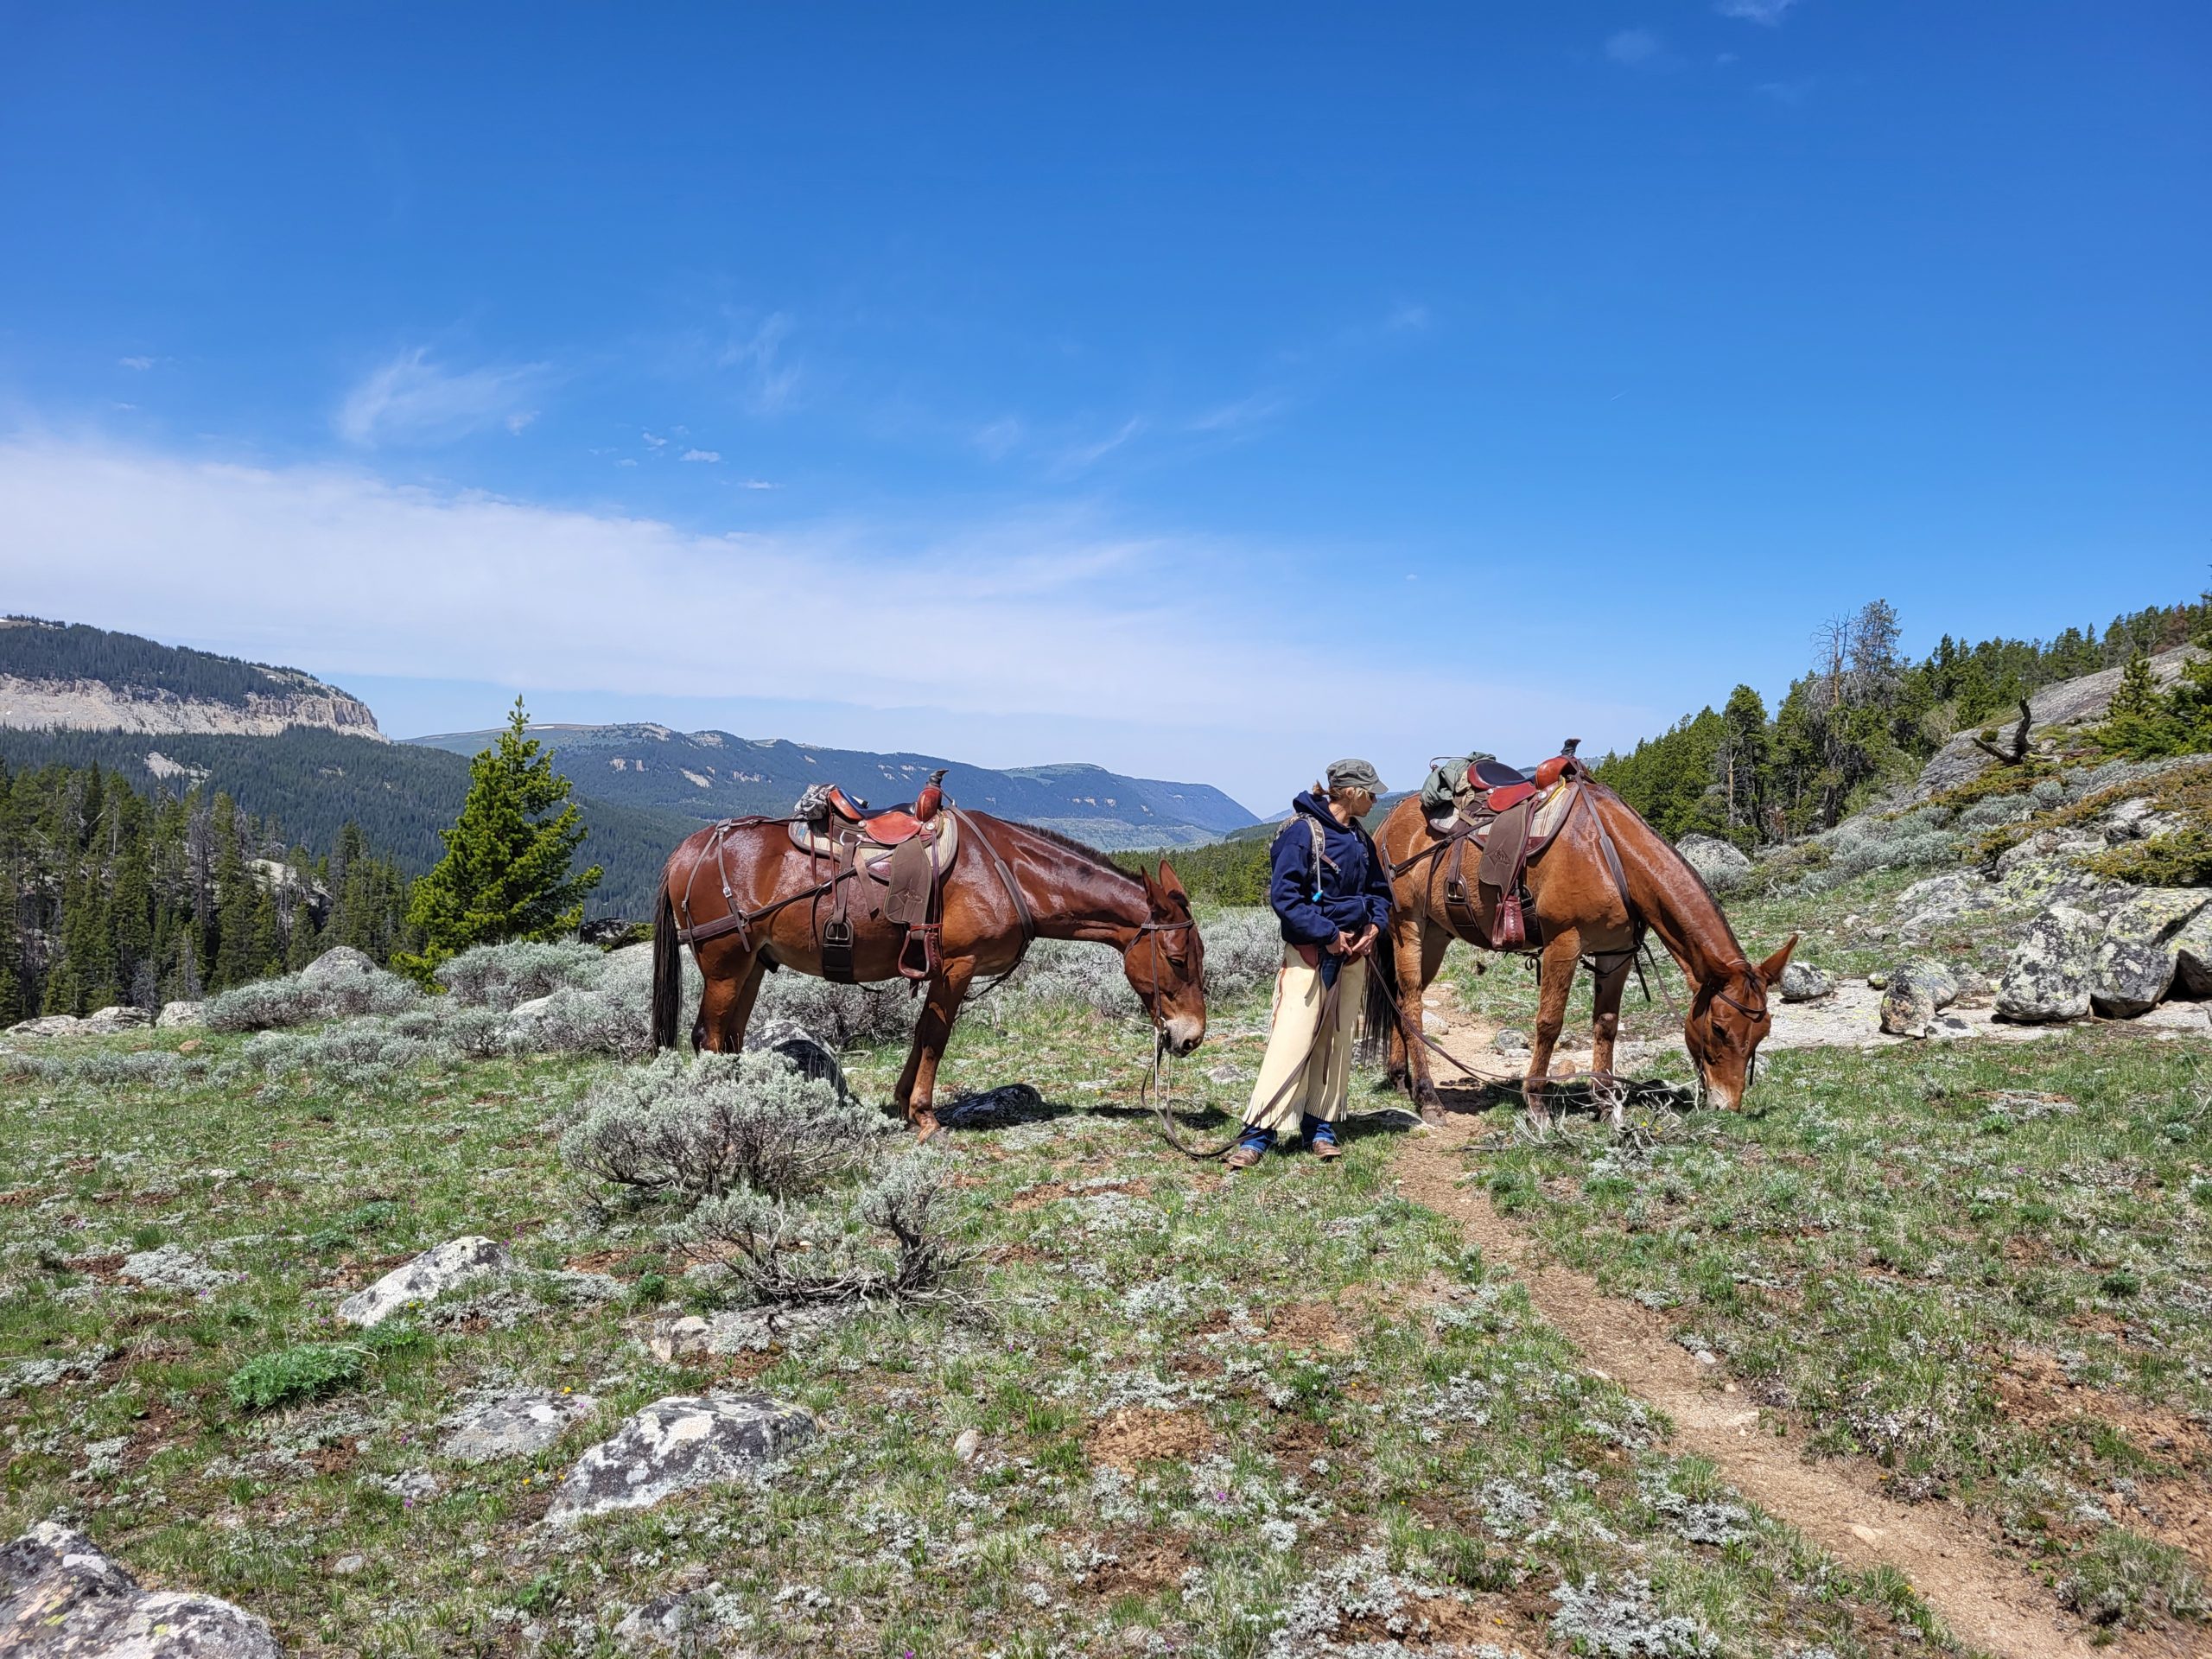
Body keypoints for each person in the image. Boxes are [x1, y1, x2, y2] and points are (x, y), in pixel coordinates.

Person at [1228, 759, 1395, 1168]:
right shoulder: (1302, 834)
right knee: (1292, 1039)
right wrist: (1328, 935)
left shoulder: (1360, 838)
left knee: (1336, 1042)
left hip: (1352, 955)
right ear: (1350, 792)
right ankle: (1258, 1132)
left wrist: (1374, 926)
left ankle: (1320, 1126)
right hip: (1310, 956)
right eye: (1370, 792)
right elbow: (1285, 900)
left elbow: (1378, 891)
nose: (1376, 798)